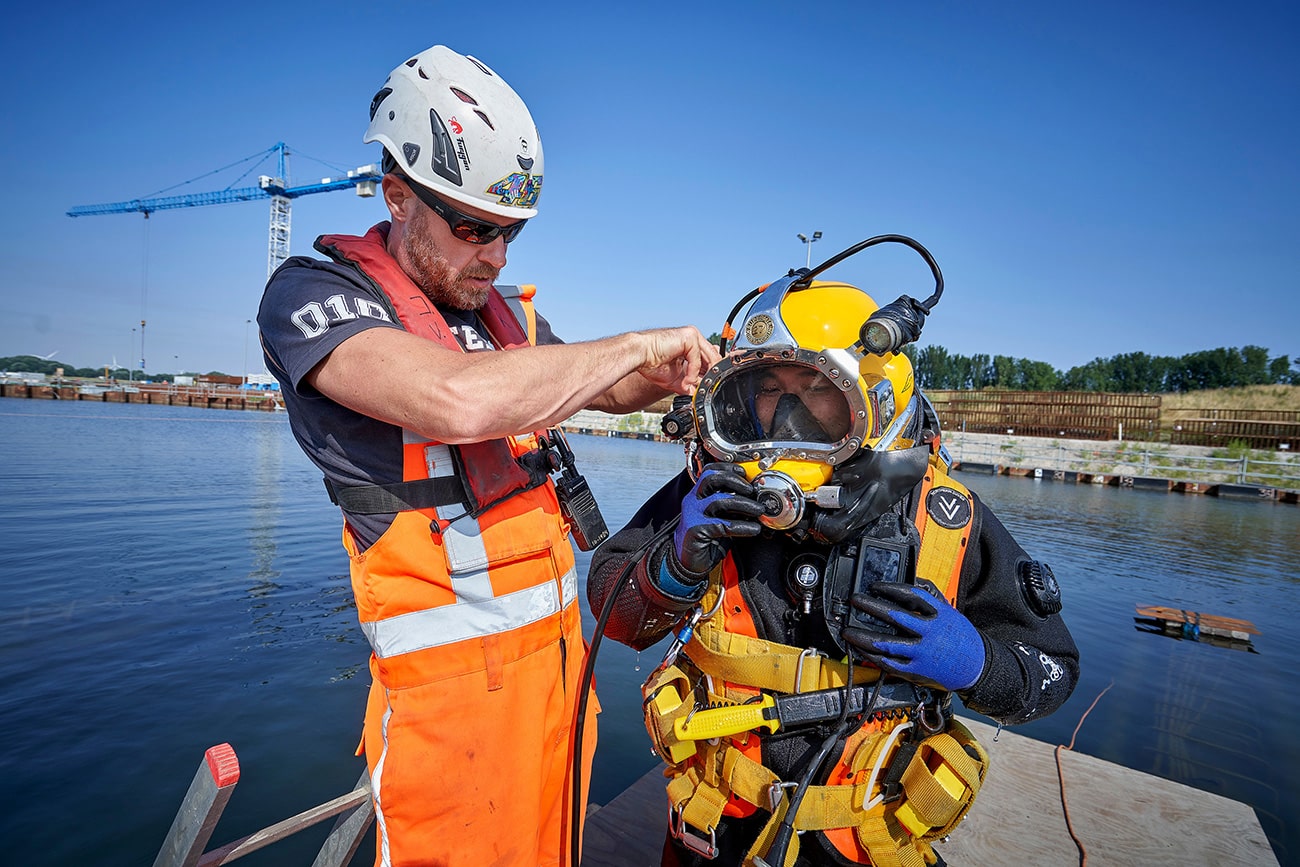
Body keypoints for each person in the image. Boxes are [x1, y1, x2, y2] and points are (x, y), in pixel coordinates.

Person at [256, 44, 719, 867]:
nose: (497, 255)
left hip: (559, 702)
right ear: (398, 197)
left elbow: (601, 385)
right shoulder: (314, 299)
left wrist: (681, 372)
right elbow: (458, 399)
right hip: (450, 734)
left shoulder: (506, 318)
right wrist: (634, 342)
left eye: (511, 232)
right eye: (474, 228)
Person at [588, 277, 1079, 867]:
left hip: (867, 843)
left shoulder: (944, 519)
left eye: (816, 387)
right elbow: (616, 617)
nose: (786, 412)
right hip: (714, 830)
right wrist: (673, 566)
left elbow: (1053, 672)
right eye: (768, 387)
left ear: (874, 399)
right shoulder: (713, 491)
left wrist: (978, 664)